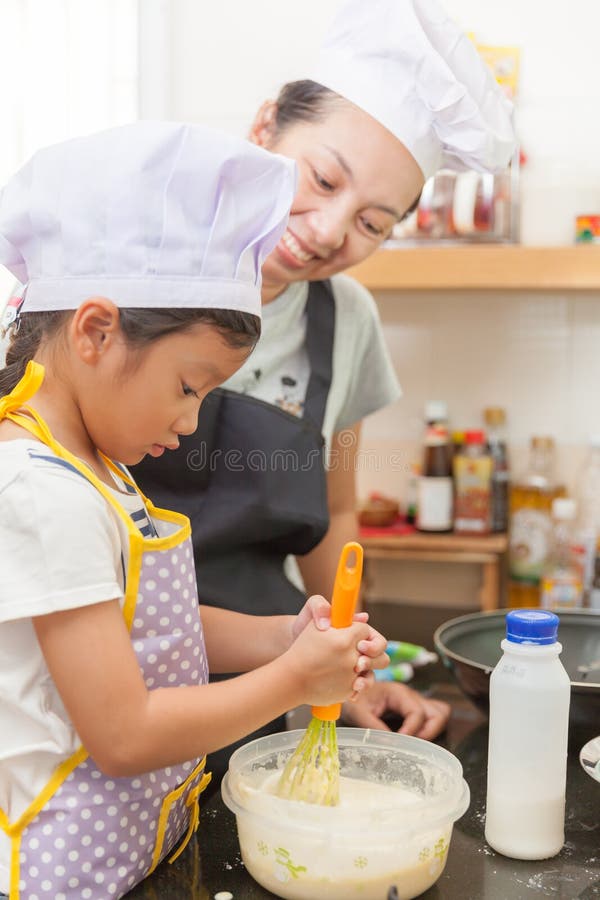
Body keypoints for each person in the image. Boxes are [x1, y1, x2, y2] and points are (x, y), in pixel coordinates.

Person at [0, 121, 389, 900]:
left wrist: (285, 636)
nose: (188, 424)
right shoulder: (41, 490)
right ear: (95, 330)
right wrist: (291, 680)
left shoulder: (94, 466)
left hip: (137, 852)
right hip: (57, 877)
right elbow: (122, 735)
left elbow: (146, 622)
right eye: (188, 387)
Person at [133, 0, 517, 786]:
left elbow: (335, 513)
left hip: (262, 686)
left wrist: (349, 667)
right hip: (110, 666)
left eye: (373, 222)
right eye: (324, 178)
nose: (330, 229)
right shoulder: (129, 279)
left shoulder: (344, 322)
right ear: (266, 123)